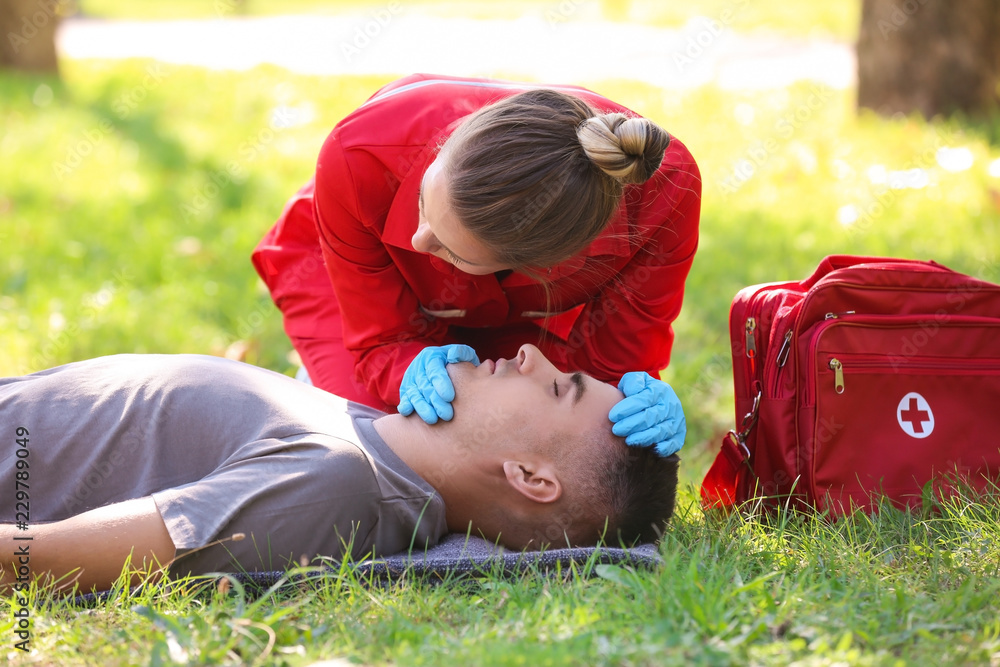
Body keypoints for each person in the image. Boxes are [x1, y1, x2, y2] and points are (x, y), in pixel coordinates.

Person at [252, 73, 699, 459]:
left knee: (537, 434)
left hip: (522, 305)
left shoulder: (665, 193)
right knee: (387, 445)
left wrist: (624, 405)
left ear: (542, 264)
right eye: (425, 202)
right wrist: (405, 365)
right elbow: (382, 338)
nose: (416, 240)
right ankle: (318, 387)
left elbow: (606, 367)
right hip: (337, 268)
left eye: (454, 252)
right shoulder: (358, 153)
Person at [0, 344, 679, 594]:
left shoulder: (341, 482)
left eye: (560, 388)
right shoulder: (372, 435)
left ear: (531, 477)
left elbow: (34, 561)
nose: (531, 353)